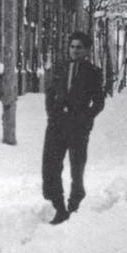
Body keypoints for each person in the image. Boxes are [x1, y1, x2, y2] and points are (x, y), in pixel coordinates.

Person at [42, 31, 105, 225]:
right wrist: (52, 114)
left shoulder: (93, 72)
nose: (75, 51)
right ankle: (60, 207)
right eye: (72, 47)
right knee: (50, 166)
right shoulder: (59, 69)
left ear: (86, 50)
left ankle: (75, 199)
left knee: (76, 167)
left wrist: (86, 119)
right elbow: (50, 93)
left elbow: (99, 102)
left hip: (78, 126)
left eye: (79, 47)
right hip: (57, 124)